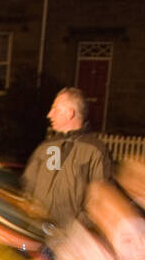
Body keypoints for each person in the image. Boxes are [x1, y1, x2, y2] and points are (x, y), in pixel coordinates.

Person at [20, 87, 112, 232]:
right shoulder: (46, 148)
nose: (49, 114)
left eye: (55, 109)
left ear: (70, 113)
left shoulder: (94, 150)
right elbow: (27, 187)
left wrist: (76, 228)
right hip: (38, 233)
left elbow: (100, 199)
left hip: (71, 240)